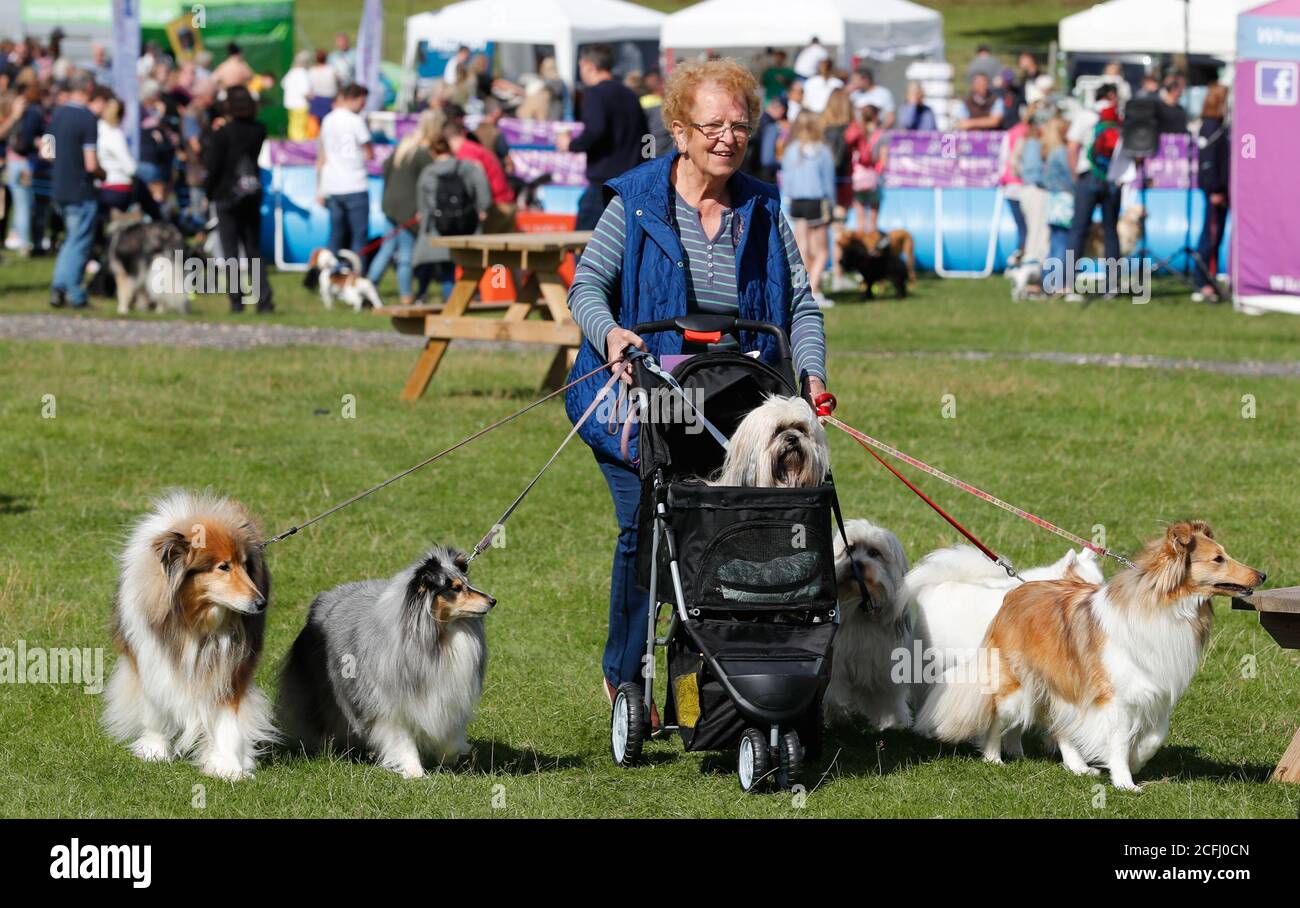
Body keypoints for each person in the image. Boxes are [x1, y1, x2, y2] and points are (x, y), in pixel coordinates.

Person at [562, 58, 832, 707]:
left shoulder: (763, 207)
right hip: (636, 397)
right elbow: (586, 286)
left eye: (739, 126)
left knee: (734, 530)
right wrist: (612, 335)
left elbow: (799, 303)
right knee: (645, 526)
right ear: (679, 130)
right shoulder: (636, 200)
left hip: (732, 403)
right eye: (712, 125)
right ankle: (625, 674)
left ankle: (717, 672)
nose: (727, 138)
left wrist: (812, 371)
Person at [556, 44, 647, 231]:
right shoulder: (630, 94)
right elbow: (646, 137)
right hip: (631, 183)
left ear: (589, 66)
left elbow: (595, 130)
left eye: (581, 67)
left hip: (603, 183)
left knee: (583, 242)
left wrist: (571, 144)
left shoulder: (595, 94)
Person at [203, 85, 272, 313]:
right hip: (250, 193)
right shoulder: (259, 130)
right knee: (253, 248)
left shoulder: (222, 134)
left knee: (230, 250)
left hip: (225, 194)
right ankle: (263, 299)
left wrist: (207, 192)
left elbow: (213, 166)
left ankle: (236, 300)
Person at [367, 109, 440, 305]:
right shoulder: (423, 154)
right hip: (408, 209)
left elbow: (386, 171)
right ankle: (406, 294)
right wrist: (421, 209)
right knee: (406, 253)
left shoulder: (404, 146)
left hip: (390, 204)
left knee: (387, 248)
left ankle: (370, 285)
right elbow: (427, 185)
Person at [411, 135, 491, 303]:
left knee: (433, 263)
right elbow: (482, 187)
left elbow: (422, 202)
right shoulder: (467, 167)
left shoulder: (429, 172)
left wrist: (422, 214)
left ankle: (424, 296)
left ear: (433, 153)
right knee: (462, 264)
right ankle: (462, 298)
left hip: (436, 226)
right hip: (465, 224)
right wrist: (482, 208)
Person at [48, 72, 102, 309]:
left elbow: (46, 151)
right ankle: (74, 292)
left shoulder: (56, 115)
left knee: (71, 240)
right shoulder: (87, 118)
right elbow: (91, 163)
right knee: (79, 242)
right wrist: (103, 173)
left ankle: (58, 287)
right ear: (89, 88)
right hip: (80, 188)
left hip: (58, 185)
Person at [782, 110, 836, 307]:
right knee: (821, 251)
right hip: (816, 202)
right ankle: (813, 289)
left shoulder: (791, 150)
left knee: (802, 248)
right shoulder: (822, 151)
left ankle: (799, 288)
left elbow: (786, 178)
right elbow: (828, 182)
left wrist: (787, 199)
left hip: (796, 202)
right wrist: (832, 204)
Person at [316, 84, 373, 256]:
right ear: (356, 99)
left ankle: (331, 276)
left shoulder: (327, 119)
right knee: (359, 237)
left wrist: (319, 189)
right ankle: (355, 277)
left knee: (336, 236)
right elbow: (369, 153)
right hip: (355, 184)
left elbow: (321, 157)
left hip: (333, 186)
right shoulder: (356, 121)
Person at [444, 105, 515, 233]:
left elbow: (479, 179)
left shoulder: (465, 153)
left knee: (485, 250)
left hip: (497, 207)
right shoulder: (473, 148)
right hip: (506, 202)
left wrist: (482, 207)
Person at [1191, 83, 1229, 302]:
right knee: (1210, 236)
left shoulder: (1218, 126)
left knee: (1215, 235)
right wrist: (1215, 189)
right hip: (1215, 191)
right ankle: (1202, 281)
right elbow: (1208, 162)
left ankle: (1209, 278)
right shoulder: (1211, 127)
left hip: (1220, 190)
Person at [849, 104, 888, 235]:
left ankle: (859, 251)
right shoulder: (881, 135)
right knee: (873, 222)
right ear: (876, 116)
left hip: (858, 180)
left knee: (859, 221)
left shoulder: (858, 132)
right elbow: (883, 161)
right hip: (874, 182)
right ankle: (872, 252)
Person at [640, 70, 671, 159]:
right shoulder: (663, 106)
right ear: (661, 84)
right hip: (661, 155)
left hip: (647, 154)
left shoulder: (639, 103)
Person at [282, 50, 313, 141]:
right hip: (300, 105)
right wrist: (311, 96)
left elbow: (283, 84)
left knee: (293, 125)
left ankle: (293, 143)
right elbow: (305, 91)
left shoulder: (291, 72)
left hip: (290, 104)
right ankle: (299, 146)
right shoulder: (303, 73)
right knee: (300, 126)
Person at [307, 50, 339, 128]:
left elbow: (309, 87)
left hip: (316, 99)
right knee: (329, 122)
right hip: (329, 99)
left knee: (317, 124)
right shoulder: (331, 70)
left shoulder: (311, 71)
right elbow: (339, 81)